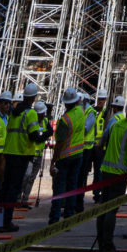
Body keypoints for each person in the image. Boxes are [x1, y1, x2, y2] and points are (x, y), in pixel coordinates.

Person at [96, 95, 127, 252]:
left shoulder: (115, 124)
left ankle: (102, 243)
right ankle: (107, 246)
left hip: (106, 170)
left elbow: (102, 144)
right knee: (111, 211)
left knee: (103, 207)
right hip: (118, 174)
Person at [0, 82, 46, 232]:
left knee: (5, 188)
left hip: (9, 153)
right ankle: (6, 222)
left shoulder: (13, 112)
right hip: (22, 154)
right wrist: (45, 134)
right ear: (33, 98)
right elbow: (33, 136)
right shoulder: (30, 113)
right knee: (13, 190)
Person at [51, 88, 91, 223]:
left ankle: (54, 219)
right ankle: (69, 216)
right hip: (78, 155)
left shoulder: (65, 120)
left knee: (59, 189)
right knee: (72, 186)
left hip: (64, 158)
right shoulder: (80, 112)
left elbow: (59, 144)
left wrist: (53, 161)